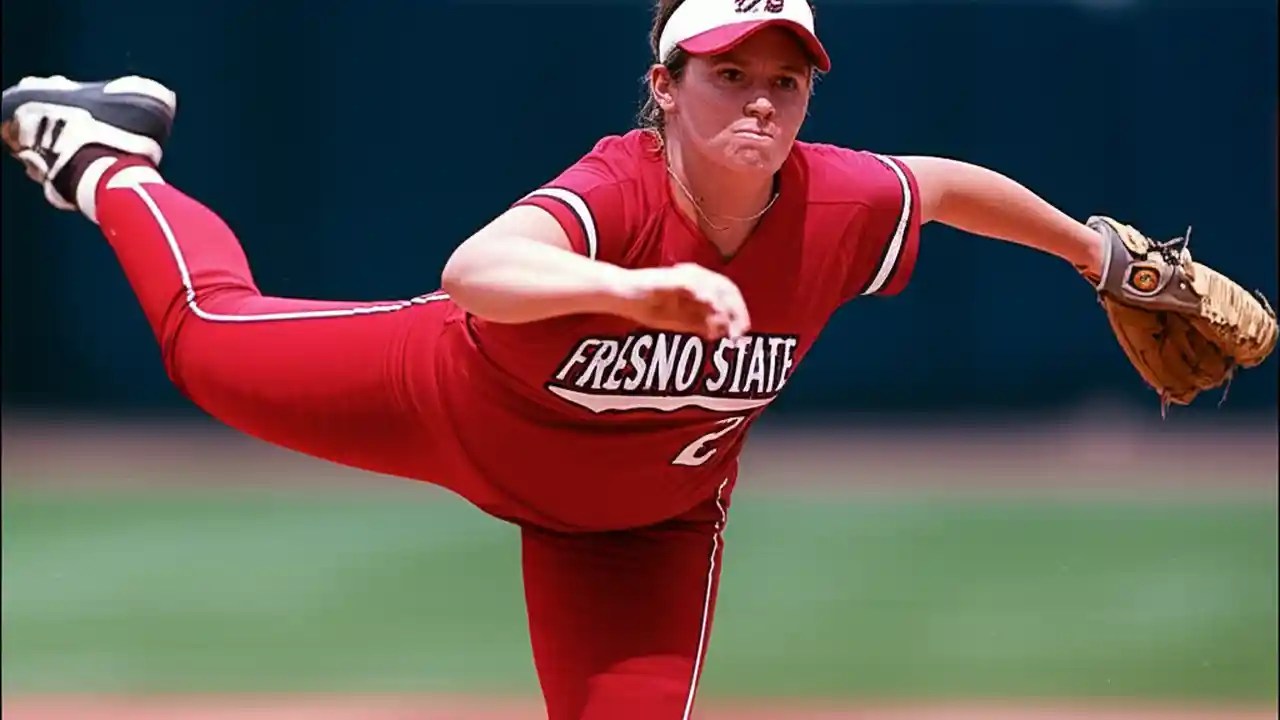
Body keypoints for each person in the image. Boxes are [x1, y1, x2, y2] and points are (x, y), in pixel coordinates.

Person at [2, 1, 1116, 717]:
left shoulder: (835, 202)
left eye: (788, 76)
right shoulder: (621, 188)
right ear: (666, 86)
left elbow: (949, 189)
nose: (764, 97)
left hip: (643, 529)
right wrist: (628, 289)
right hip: (444, 397)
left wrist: (1096, 256)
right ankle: (106, 152)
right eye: (731, 72)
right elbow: (478, 267)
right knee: (205, 346)